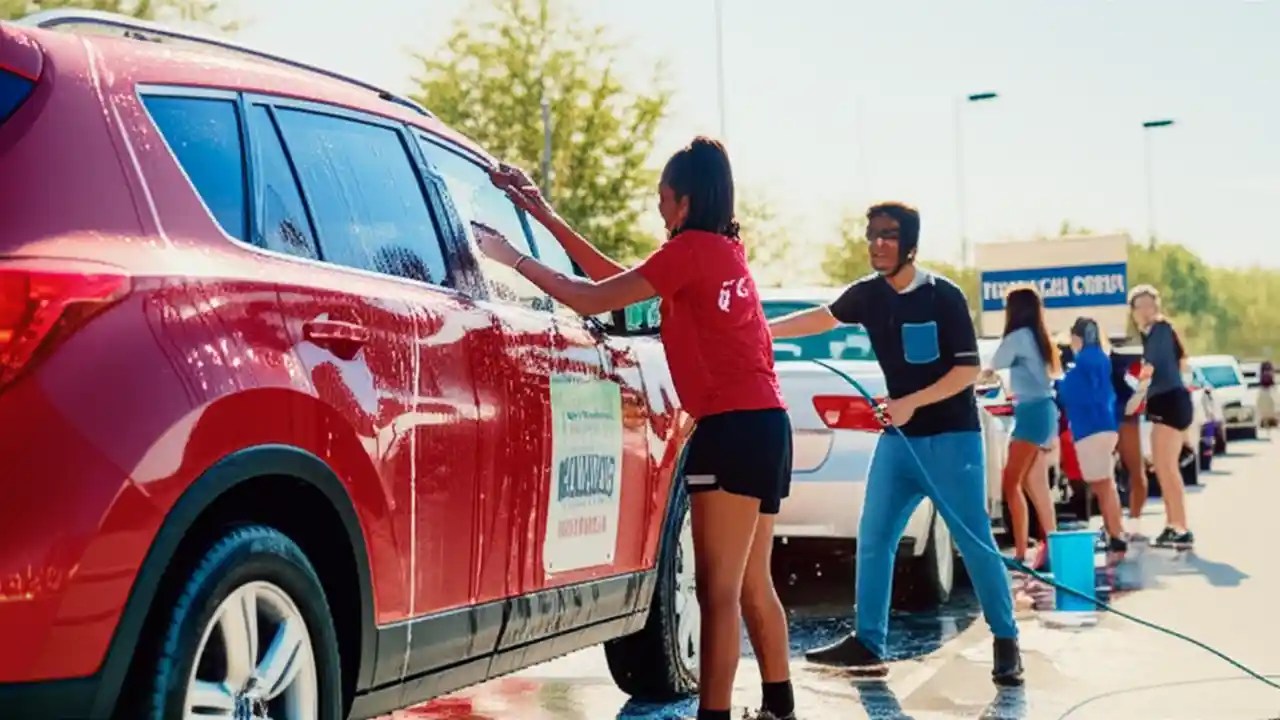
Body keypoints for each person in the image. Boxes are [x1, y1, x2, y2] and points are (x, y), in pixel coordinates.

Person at [475, 137, 796, 720]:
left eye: (663, 199)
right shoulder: (725, 252)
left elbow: (591, 297)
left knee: (717, 594)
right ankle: (780, 709)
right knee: (753, 585)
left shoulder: (690, 251)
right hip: (769, 427)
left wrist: (510, 257)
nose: (659, 209)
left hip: (730, 429)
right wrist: (542, 214)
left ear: (685, 201)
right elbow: (621, 280)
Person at [767, 202, 1023, 687]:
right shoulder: (867, 296)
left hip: (952, 440)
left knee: (974, 542)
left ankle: (1006, 641)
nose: (877, 244)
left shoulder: (943, 297)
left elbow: (967, 371)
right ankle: (868, 643)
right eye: (872, 236)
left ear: (910, 244)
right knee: (876, 536)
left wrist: (912, 403)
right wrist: (763, 331)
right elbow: (822, 318)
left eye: (887, 236)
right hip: (899, 442)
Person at [988, 287, 1061, 570]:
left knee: (1011, 483)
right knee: (1036, 486)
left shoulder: (1018, 337)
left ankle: (1020, 552)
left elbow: (994, 363)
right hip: (1041, 411)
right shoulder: (1037, 337)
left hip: (1031, 413)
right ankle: (1050, 548)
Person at [1128, 284, 1194, 549]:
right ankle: (1173, 525)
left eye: (1149, 304)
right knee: (1165, 469)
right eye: (1139, 305)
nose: (1145, 310)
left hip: (1168, 402)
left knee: (1166, 469)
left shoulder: (1159, 329)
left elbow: (1150, 369)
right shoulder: (1156, 333)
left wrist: (1135, 397)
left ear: (1156, 306)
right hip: (1170, 401)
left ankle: (1180, 527)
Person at [1058, 317, 1128, 559]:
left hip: (1089, 430)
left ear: (1076, 338)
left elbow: (1069, 395)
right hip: (1107, 426)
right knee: (1106, 483)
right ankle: (1114, 531)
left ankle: (1117, 535)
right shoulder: (1101, 359)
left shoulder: (1080, 366)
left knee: (1102, 486)